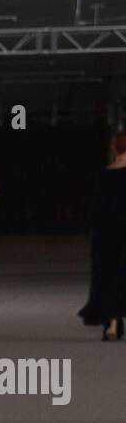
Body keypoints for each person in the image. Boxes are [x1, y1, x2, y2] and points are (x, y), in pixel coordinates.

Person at [78, 130, 126, 341]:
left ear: (114, 148)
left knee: (110, 277)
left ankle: (112, 322)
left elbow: (97, 212)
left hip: (109, 236)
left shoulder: (105, 175)